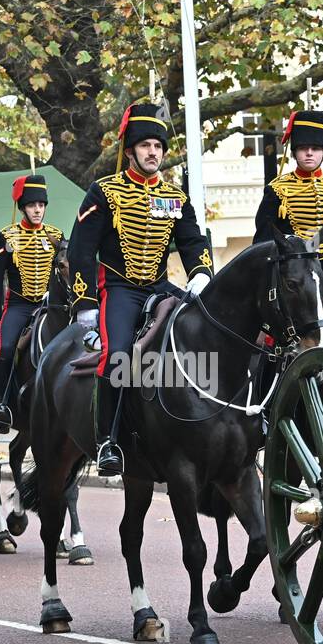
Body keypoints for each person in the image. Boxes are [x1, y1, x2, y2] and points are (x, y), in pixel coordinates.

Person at [68, 102, 213, 475]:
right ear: (130, 150)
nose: (153, 153)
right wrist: (85, 302)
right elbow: (82, 250)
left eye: (159, 147)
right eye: (146, 145)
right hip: (119, 289)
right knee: (117, 353)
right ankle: (107, 442)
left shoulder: (176, 197)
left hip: (161, 287)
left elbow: (193, 241)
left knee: (209, 331)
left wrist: (201, 272)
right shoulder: (104, 192)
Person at [0, 173, 64, 434]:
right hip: (19, 306)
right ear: (22, 207)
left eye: (41, 205)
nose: (38, 210)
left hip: (49, 305)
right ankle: (2, 405)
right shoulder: (6, 237)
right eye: (32, 205)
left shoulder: (56, 235)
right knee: (5, 348)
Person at [254, 109, 323, 281]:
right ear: (295, 152)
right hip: (293, 277)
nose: (309, 153)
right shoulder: (276, 190)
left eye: (315, 148)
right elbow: (263, 241)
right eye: (303, 148)